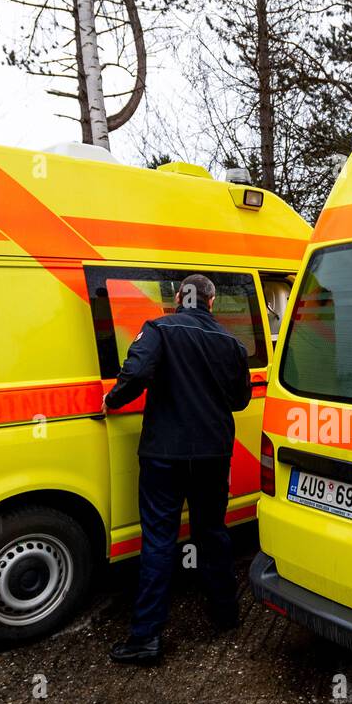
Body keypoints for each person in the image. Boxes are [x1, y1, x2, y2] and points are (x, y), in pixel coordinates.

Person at [104, 273, 251, 662]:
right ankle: (225, 613)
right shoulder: (232, 343)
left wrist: (112, 401)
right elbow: (240, 401)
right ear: (211, 301)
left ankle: (146, 638)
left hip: (163, 456)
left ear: (176, 298)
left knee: (159, 540)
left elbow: (135, 374)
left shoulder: (158, 329)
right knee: (212, 533)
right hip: (212, 454)